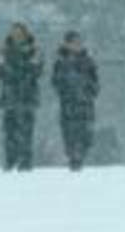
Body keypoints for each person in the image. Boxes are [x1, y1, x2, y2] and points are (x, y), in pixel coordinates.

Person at [0, 22, 44, 171]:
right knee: (9, 131)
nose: (17, 36)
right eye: (14, 33)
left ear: (25, 34)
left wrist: (19, 70)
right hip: (9, 95)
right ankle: (10, 160)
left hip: (28, 95)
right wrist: (4, 68)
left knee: (26, 131)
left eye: (20, 33)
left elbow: (36, 71)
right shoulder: (3, 50)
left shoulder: (34, 50)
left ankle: (25, 162)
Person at [51, 30, 99, 171]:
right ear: (66, 44)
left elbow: (95, 81)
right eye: (73, 42)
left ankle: (80, 154)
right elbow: (55, 81)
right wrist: (66, 87)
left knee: (86, 133)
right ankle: (73, 156)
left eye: (78, 42)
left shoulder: (88, 61)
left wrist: (89, 89)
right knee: (70, 132)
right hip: (68, 102)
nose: (76, 45)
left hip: (85, 102)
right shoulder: (60, 61)